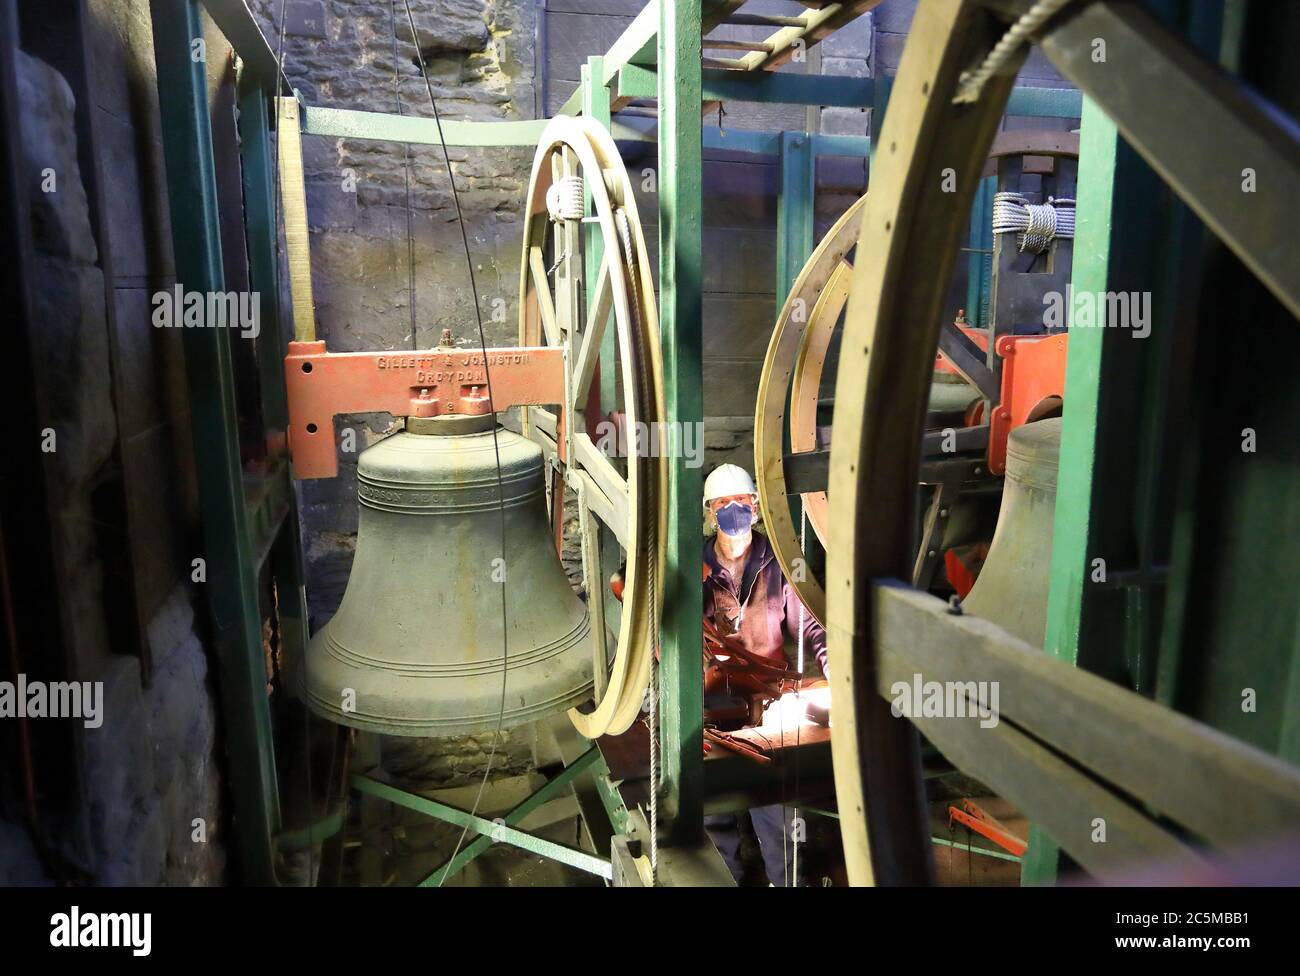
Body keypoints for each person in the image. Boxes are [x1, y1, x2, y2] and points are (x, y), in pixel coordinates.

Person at [701, 463, 828, 886]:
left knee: (777, 805)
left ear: (756, 508)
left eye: (742, 502)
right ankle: (727, 878)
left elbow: (810, 624)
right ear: (709, 512)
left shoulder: (778, 561)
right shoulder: (696, 566)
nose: (734, 510)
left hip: (768, 702)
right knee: (713, 807)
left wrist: (835, 673)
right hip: (711, 704)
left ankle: (785, 881)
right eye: (723, 504)